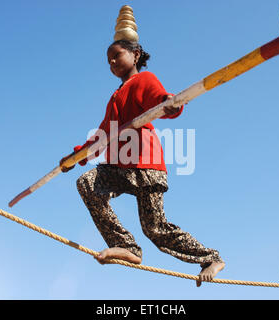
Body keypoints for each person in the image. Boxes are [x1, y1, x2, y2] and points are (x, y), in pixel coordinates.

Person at [60, 38, 225, 287]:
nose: (112, 62)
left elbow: (157, 98)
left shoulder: (144, 80)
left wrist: (168, 104)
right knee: (87, 183)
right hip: (121, 166)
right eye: (108, 60)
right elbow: (103, 133)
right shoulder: (116, 96)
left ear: (135, 55)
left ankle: (211, 258)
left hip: (146, 164)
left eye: (117, 55)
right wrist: (77, 156)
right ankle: (124, 245)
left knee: (155, 229)